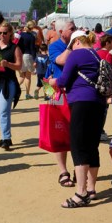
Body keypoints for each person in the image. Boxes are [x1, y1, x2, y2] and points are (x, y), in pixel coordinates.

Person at [52, 30, 107, 208]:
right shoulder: (97, 55)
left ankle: (81, 193)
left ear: (76, 42)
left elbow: (63, 80)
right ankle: (91, 189)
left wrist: (53, 82)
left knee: (78, 145)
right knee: (92, 146)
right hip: (98, 103)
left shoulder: (76, 55)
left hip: (81, 103)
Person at [46, 21, 77, 186]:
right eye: (71, 28)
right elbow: (61, 61)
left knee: (76, 131)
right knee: (60, 132)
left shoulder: (79, 44)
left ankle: (79, 168)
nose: (75, 30)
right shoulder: (54, 46)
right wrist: (73, 45)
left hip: (75, 92)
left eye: (75, 28)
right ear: (60, 31)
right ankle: (63, 171)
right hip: (58, 92)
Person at [0, 21, 23, 151]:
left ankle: (7, 139)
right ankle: (4, 136)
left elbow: (19, 66)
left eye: (5, 33)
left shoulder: (15, 48)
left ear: (10, 33)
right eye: (0, 32)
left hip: (8, 82)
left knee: (4, 111)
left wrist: (7, 64)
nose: (2, 35)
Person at [18, 22, 37, 99]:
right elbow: (33, 49)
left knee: (22, 76)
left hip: (20, 55)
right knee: (28, 76)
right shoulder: (31, 36)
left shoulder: (20, 35)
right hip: (28, 56)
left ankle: (12, 90)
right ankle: (27, 94)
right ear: (32, 28)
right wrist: (35, 59)